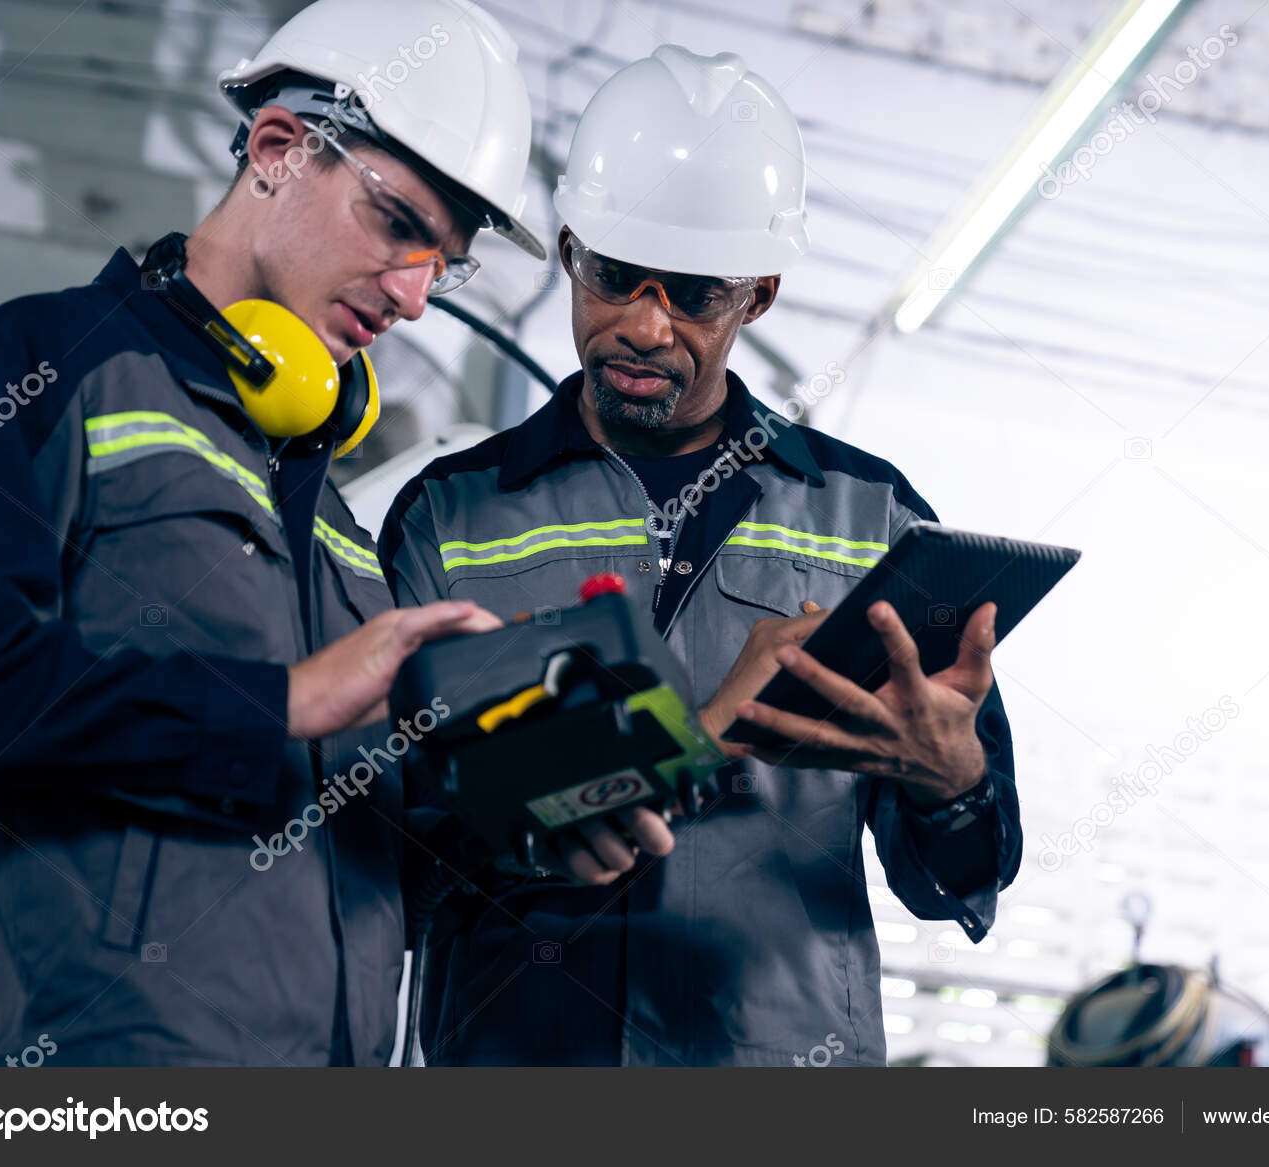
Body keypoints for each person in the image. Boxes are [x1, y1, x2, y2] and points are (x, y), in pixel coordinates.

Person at [0, 0, 543, 1066]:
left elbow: (365, 850)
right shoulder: (53, 364)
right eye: (399, 224)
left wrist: (539, 813)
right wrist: (275, 704)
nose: (414, 298)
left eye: (442, 263)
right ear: (277, 150)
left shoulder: (343, 539)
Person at [379, 45, 1022, 1066]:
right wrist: (694, 738)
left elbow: (954, 877)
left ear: (755, 296)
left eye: (691, 294)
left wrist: (955, 785)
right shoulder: (448, 520)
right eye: (614, 277)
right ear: (567, 250)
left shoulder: (871, 522)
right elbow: (401, 846)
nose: (642, 324)